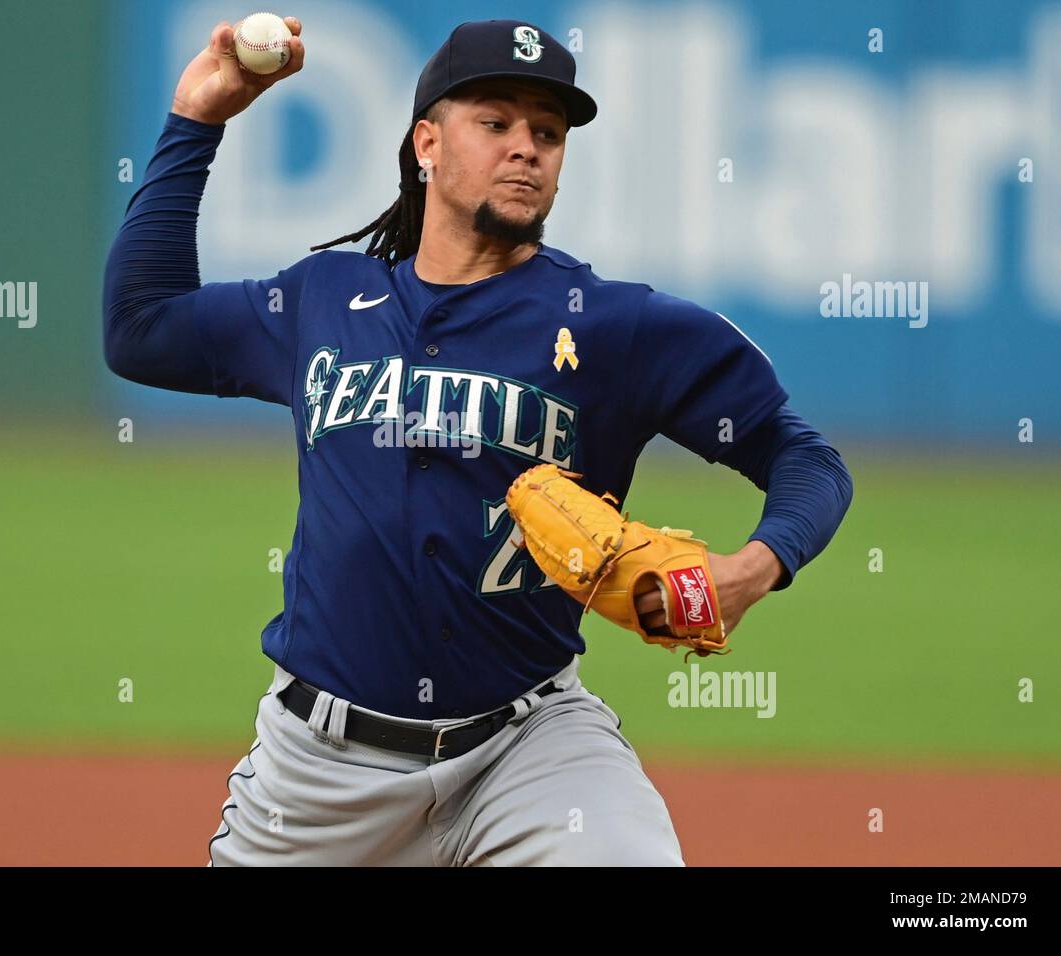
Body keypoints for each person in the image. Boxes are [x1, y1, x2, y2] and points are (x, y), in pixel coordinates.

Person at [103, 17, 853, 866]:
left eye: (547, 133)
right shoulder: (322, 299)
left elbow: (806, 459)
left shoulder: (614, 326)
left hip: (527, 751)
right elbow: (139, 329)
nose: (526, 149)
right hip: (318, 774)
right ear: (427, 142)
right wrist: (196, 120)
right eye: (495, 122)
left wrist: (752, 570)